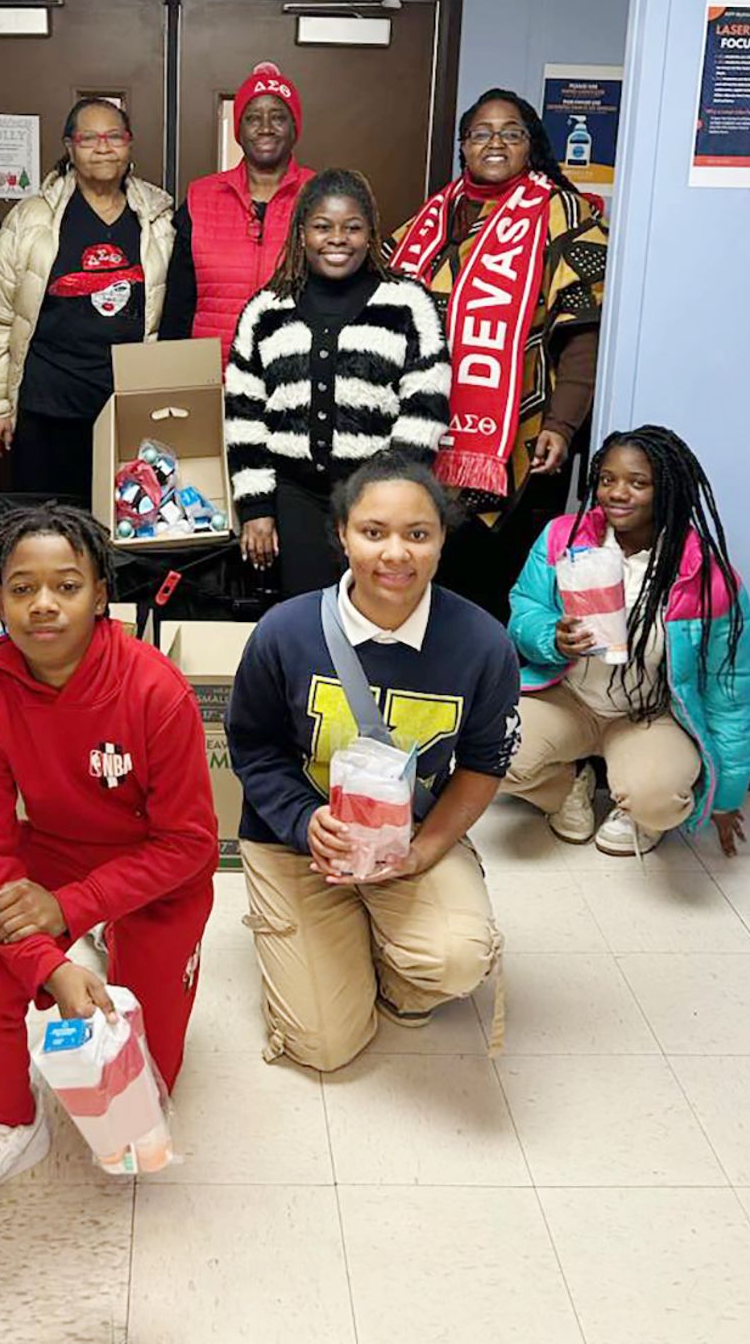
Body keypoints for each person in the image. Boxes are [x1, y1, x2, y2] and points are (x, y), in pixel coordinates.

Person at [0, 505, 216, 1238]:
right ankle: (13, 1124)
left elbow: (191, 845)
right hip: (54, 850)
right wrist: (46, 962)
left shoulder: (156, 690)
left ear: (101, 594)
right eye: (22, 588)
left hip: (156, 868)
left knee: (140, 1098)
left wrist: (75, 906)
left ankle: (125, 947)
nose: (43, 604)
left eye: (67, 586)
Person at [226, 452, 518, 1070]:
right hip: (296, 840)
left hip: (409, 835)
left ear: (442, 540)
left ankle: (393, 960)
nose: (395, 554)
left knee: (453, 961)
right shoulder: (284, 632)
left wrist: (425, 851)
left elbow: (483, 764)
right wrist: (304, 821)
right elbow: (253, 746)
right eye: (373, 532)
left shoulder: (483, 644)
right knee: (325, 1046)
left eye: (418, 534)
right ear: (342, 535)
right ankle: (333, 933)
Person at [385, 88, 610, 622]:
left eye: (511, 133)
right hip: (429, 434)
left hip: (523, 439)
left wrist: (562, 423)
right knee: (429, 580)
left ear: (531, 145)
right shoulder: (433, 218)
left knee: (497, 590)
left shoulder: (563, 212)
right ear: (463, 146)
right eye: (481, 133)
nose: (495, 143)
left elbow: (584, 331)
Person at [503, 425, 750, 858]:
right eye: (607, 479)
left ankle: (637, 813)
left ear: (668, 491)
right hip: (568, 698)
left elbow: (727, 691)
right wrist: (551, 636)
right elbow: (524, 608)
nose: (617, 493)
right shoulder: (564, 536)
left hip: (648, 713)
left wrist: (726, 799)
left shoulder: (706, 576)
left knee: (660, 800)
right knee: (490, 750)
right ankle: (568, 788)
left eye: (638, 483)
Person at [225, 169, 451, 599]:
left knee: (375, 609)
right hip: (295, 496)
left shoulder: (407, 303)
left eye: (352, 228)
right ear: (302, 233)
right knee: (307, 614)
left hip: (377, 498)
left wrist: (392, 490)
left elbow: (426, 407)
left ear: (370, 235)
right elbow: (243, 414)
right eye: (322, 227)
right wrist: (256, 508)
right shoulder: (266, 310)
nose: (337, 239)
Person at [0, 98, 174, 506]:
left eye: (114, 136)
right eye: (89, 138)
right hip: (47, 407)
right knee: (46, 524)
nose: (103, 147)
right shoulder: (31, 219)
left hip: (125, 409)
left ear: (129, 143)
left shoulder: (158, 217)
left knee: (124, 520)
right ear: (69, 146)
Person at [159, 61, 314, 365]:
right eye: (253, 118)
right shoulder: (200, 198)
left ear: (295, 128)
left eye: (278, 117)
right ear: (239, 130)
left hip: (294, 377)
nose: (265, 127)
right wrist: (173, 375)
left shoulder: (322, 197)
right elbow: (178, 306)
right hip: (211, 377)